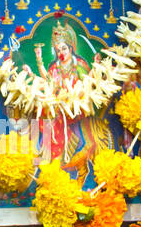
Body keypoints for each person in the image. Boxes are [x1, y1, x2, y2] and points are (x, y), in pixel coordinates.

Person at [33, 20, 112, 172]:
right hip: (58, 104)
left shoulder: (79, 65)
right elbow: (47, 80)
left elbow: (88, 80)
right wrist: (39, 59)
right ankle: (46, 156)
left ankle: (57, 159)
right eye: (58, 50)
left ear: (71, 48)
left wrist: (95, 65)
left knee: (57, 119)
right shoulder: (54, 67)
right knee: (43, 115)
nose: (61, 53)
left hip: (76, 105)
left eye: (64, 49)